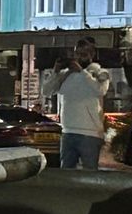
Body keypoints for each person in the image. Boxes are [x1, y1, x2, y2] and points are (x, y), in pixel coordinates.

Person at [43, 42, 110, 170]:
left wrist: (82, 72)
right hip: (68, 131)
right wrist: (56, 71)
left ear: (92, 54)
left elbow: (100, 90)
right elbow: (46, 91)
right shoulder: (66, 74)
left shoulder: (100, 72)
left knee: (90, 172)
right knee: (67, 173)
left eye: (84, 54)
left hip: (90, 133)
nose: (80, 57)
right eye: (77, 54)